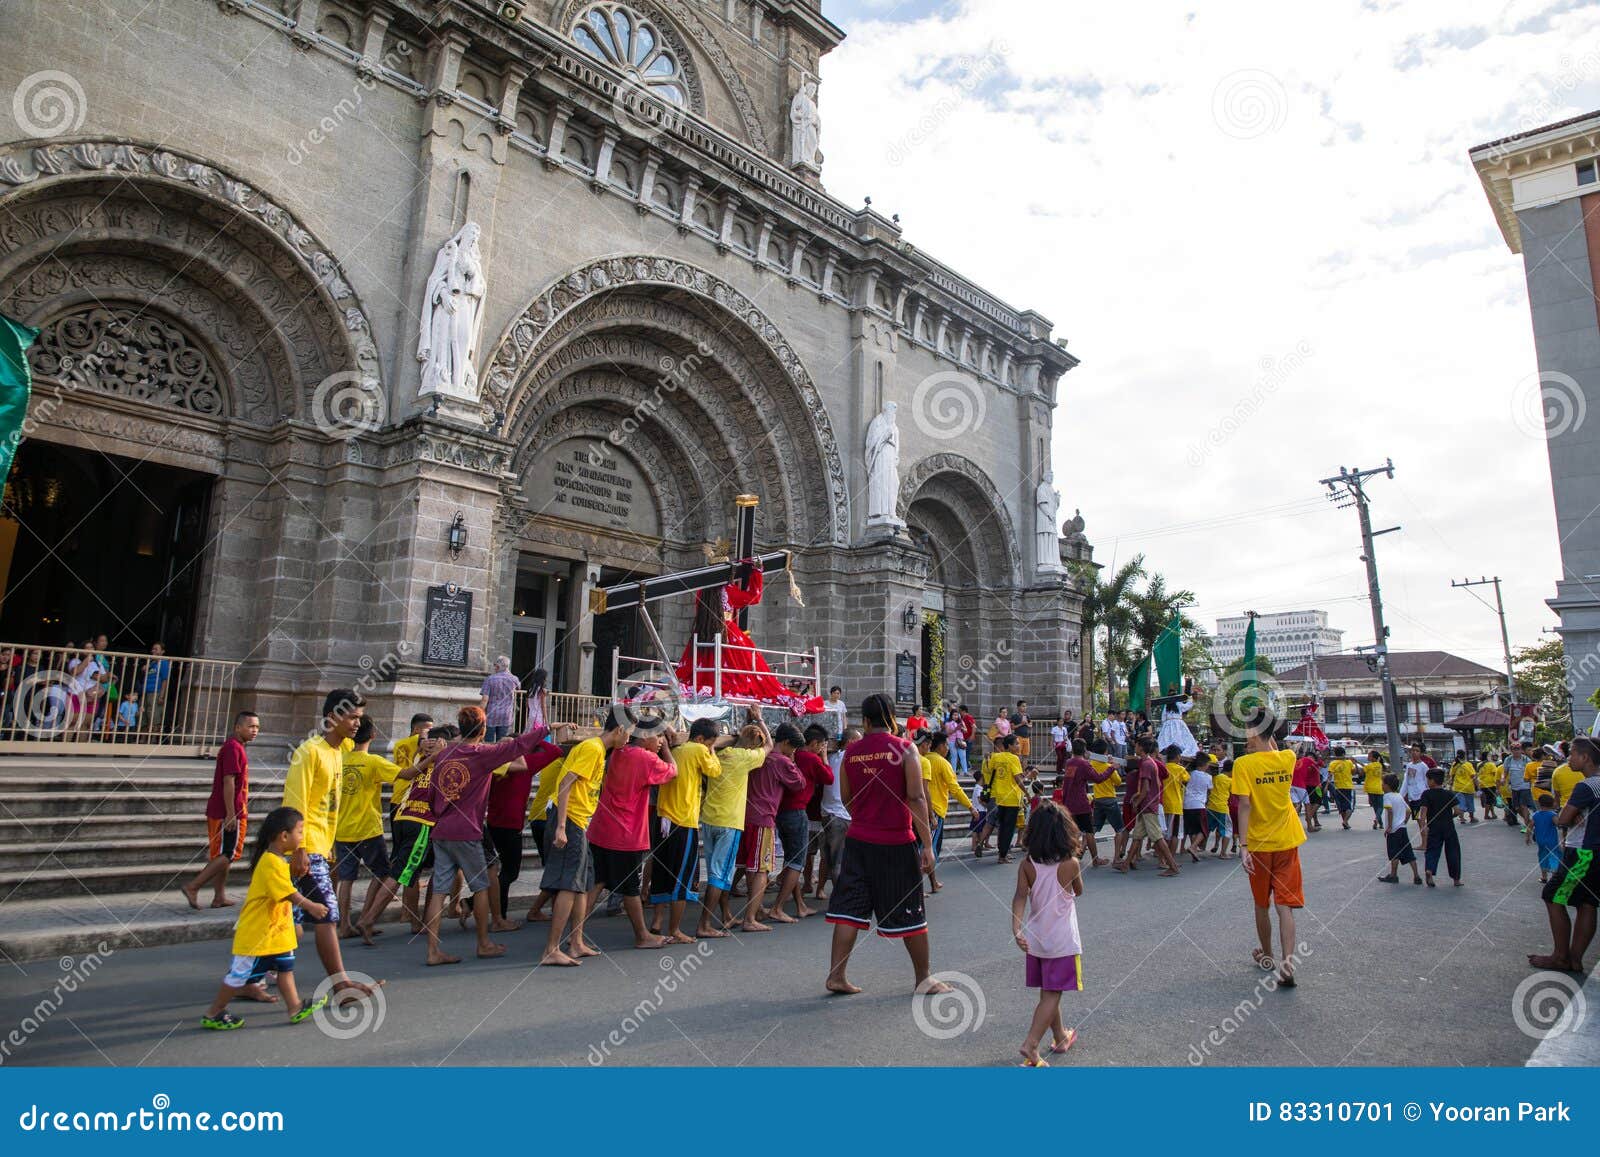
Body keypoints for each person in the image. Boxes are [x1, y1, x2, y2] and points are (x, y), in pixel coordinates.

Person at [824, 693, 952, 997]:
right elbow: (916, 797)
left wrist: (865, 818)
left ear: (865, 721)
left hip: (859, 840)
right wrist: (927, 845)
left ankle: (836, 975)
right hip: (896, 842)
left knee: (850, 909)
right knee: (911, 910)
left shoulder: (851, 752)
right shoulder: (905, 749)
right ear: (892, 718)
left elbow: (846, 798)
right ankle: (923, 978)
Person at [420, 702, 558, 965]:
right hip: (467, 831)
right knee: (481, 886)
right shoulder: (481, 754)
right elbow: (517, 746)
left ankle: (432, 951)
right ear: (483, 729)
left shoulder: (445, 755)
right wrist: (547, 728)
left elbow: (431, 792)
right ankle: (483, 943)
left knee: (438, 890)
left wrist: (439, 814)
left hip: (442, 829)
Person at [282, 688, 381, 1002]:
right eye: (351, 717)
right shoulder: (308, 752)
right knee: (327, 915)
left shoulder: (341, 750)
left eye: (359, 718)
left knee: (287, 922)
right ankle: (341, 984)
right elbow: (294, 804)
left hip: (322, 847)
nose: (357, 724)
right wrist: (299, 850)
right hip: (305, 847)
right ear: (332, 717)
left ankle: (249, 975)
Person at [199, 806, 330, 1030]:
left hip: (276, 934)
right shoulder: (270, 862)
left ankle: (295, 1007)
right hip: (258, 936)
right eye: (300, 831)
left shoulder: (278, 860)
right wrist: (311, 906)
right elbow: (288, 893)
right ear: (284, 836)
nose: (302, 836)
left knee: (285, 968)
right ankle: (214, 1012)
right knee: (238, 976)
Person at [540, 710, 629, 965]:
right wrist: (561, 827)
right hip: (571, 820)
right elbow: (565, 784)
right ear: (620, 730)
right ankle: (551, 949)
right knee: (569, 885)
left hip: (580, 821)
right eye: (629, 734)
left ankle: (576, 942)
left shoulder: (598, 750)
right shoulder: (592, 749)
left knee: (582, 884)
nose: (628, 740)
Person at [585, 719, 681, 949]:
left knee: (598, 881)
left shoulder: (618, 751)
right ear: (644, 737)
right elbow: (673, 771)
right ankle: (642, 936)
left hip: (602, 828)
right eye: (658, 737)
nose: (660, 742)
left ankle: (573, 934)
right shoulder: (645, 758)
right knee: (630, 887)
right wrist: (667, 749)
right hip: (625, 834)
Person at [1232, 709, 1305, 985]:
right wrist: (1263, 730)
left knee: (1262, 903)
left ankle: (1267, 955)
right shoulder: (1288, 758)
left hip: (1259, 842)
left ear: (1252, 732)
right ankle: (1288, 965)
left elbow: (1245, 805)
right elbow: (1271, 745)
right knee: (1285, 906)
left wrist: (1243, 845)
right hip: (1287, 839)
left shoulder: (1243, 764)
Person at [1010, 801, 1085, 1066]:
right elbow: (1078, 891)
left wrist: (1016, 928)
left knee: (1049, 990)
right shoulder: (1071, 864)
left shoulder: (1027, 865)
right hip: (1062, 941)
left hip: (1036, 939)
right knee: (1053, 994)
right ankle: (1031, 1045)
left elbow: (1020, 897)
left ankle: (1061, 1036)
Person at [332, 715, 411, 942]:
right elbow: (405, 774)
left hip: (342, 828)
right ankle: (367, 917)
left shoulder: (339, 759)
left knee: (346, 879)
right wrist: (430, 760)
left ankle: (344, 925)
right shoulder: (374, 762)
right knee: (382, 873)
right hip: (368, 829)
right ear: (373, 735)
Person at [649, 718, 725, 943]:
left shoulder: (676, 749)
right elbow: (715, 771)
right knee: (682, 877)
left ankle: (657, 922)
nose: (709, 747)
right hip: (683, 821)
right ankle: (675, 930)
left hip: (663, 819)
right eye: (709, 742)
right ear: (701, 739)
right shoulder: (699, 750)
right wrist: (712, 750)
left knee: (662, 874)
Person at [696, 714, 772, 938]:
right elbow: (769, 745)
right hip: (729, 822)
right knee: (719, 875)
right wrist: (760, 719)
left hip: (709, 820)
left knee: (717, 872)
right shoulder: (745, 757)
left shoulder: (719, 753)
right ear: (751, 745)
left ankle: (726, 915)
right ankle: (704, 925)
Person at [1530, 736, 1599, 973]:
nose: (1569, 758)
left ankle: (1560, 956)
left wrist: (1565, 815)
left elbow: (1563, 819)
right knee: (1588, 902)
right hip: (1596, 853)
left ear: (1585, 757)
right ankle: (1575, 959)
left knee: (1552, 895)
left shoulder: (1586, 786)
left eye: (1572, 754)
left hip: (1582, 852)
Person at [183, 710, 259, 911]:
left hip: (225, 809)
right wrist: (231, 814)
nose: (255, 731)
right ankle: (193, 886)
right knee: (227, 854)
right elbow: (228, 781)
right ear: (238, 727)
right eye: (251, 726)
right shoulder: (234, 748)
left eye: (257, 727)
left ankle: (219, 897)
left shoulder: (235, 747)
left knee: (224, 854)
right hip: (228, 810)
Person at [486, 723, 563, 921]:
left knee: (504, 870)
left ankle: (484, 909)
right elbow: (555, 751)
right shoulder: (525, 765)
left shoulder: (493, 764)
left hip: (494, 822)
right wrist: (529, 742)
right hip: (511, 824)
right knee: (510, 872)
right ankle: (498, 916)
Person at [739, 722, 807, 930]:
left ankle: (756, 909)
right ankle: (750, 919)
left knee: (752, 867)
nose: (793, 752)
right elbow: (800, 784)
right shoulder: (781, 761)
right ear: (785, 743)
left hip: (745, 815)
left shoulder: (758, 754)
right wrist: (792, 761)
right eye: (793, 748)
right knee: (762, 869)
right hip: (764, 818)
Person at [772, 723, 834, 918]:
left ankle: (800, 905)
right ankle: (778, 908)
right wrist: (824, 758)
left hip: (781, 812)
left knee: (791, 859)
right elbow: (829, 778)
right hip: (797, 812)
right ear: (814, 743)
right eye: (821, 745)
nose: (822, 749)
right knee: (796, 863)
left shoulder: (790, 755)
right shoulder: (810, 758)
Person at [1116, 736, 1180, 876]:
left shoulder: (1146, 764)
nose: (1135, 748)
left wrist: (1137, 801)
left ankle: (1173, 866)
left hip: (1148, 805)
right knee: (1137, 835)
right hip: (1149, 804)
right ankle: (1126, 864)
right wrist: (1138, 796)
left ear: (1141, 747)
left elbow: (1145, 788)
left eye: (1136, 746)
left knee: (1157, 837)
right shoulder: (1149, 762)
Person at [922, 730, 970, 891]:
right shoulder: (942, 763)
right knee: (930, 850)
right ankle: (916, 887)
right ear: (940, 746)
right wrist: (970, 806)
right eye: (947, 745)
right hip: (934, 811)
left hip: (921, 809)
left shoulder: (922, 759)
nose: (948, 749)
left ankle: (933, 883)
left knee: (927, 848)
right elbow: (955, 789)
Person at [1054, 739, 1110, 866]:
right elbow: (1098, 778)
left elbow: (1067, 784)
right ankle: (1095, 859)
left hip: (1069, 801)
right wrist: (1111, 768)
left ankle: (1067, 857)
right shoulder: (1083, 763)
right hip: (1081, 803)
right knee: (1089, 831)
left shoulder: (1069, 762)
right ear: (1084, 750)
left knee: (1071, 831)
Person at [1416, 768, 1463, 888]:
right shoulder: (1449, 794)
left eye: (1428, 780)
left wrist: (1423, 826)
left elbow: (1423, 811)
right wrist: (1452, 816)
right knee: (1453, 852)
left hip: (1434, 827)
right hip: (1448, 827)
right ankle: (1456, 879)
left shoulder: (1426, 794)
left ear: (1432, 781)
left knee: (1432, 850)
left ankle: (1429, 870)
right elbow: (1458, 811)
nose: (1427, 782)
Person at [984, 734, 1026, 862]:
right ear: (1009, 746)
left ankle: (1002, 853)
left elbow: (989, 769)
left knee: (1002, 827)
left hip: (999, 797)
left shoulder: (996, 757)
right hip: (1012, 798)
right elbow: (1018, 779)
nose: (1018, 746)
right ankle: (1003, 855)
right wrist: (1027, 793)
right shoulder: (1014, 758)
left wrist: (988, 758)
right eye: (1016, 743)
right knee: (1009, 828)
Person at [1376, 773, 1421, 885]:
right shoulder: (1399, 796)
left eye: (1383, 783)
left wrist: (1389, 826)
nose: (1381, 785)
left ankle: (1393, 875)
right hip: (1402, 828)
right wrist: (1404, 821)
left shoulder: (1387, 796)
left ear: (1387, 785)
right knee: (1408, 852)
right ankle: (1416, 876)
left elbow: (1390, 811)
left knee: (1394, 853)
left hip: (1394, 830)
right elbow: (1408, 810)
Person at [478, 655, 521, 742]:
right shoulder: (514, 679)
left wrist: (479, 713)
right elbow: (518, 689)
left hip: (491, 715)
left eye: (495, 665)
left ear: (497, 666)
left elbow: (485, 699)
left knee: (488, 742)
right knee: (502, 742)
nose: (494, 668)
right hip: (506, 715)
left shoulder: (490, 679)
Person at [1182, 754, 1213, 861]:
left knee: (1192, 829)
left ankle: (1194, 850)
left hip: (1187, 804)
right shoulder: (1208, 777)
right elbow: (1210, 791)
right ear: (1205, 764)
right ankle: (1193, 846)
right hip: (1199, 805)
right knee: (1204, 829)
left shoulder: (1190, 774)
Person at [1156, 692, 1199, 758]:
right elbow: (1186, 706)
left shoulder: (1166, 706)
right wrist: (1191, 699)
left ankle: (1169, 750)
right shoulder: (1178, 703)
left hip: (1168, 724)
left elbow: (1163, 717)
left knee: (1167, 739)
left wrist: (1164, 725)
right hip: (1178, 723)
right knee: (1179, 737)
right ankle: (1179, 751)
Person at [1206, 760, 1235, 858]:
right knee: (1228, 830)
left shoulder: (1215, 777)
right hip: (1222, 808)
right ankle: (1223, 853)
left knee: (1207, 828)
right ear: (1232, 770)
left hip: (1211, 806)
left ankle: (1197, 846)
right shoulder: (1230, 781)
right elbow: (1234, 792)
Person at [1533, 794, 1562, 884]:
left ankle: (1544, 877)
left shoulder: (1536, 814)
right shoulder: (1552, 815)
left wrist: (1527, 836)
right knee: (1554, 856)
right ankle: (1554, 877)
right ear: (1552, 804)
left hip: (1540, 841)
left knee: (1542, 857)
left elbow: (1530, 825)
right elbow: (1558, 824)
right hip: (1551, 841)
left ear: (1540, 804)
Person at [1327, 746, 1355, 830]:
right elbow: (1354, 772)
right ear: (1343, 754)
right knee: (1350, 807)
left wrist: (1326, 786)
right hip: (1348, 787)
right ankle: (1345, 821)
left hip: (1337, 787)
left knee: (1342, 807)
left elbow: (1329, 776)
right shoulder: (1349, 762)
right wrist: (1355, 763)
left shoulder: (1333, 763)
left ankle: (1345, 822)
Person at [1450, 753, 1479, 824]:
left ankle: (1462, 818)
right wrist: (1477, 786)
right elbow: (1473, 776)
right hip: (1468, 787)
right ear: (1464, 756)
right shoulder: (1468, 764)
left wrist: (1451, 784)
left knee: (1460, 804)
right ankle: (1472, 818)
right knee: (1470, 803)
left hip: (1457, 787)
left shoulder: (1454, 764)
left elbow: (1452, 775)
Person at [1362, 750, 1386, 831]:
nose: (1368, 757)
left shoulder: (1369, 766)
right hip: (1379, 788)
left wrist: (1356, 763)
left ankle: (1380, 823)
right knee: (1380, 806)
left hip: (1370, 789)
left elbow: (1363, 770)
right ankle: (1378, 820)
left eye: (1369, 756)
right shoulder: (1380, 765)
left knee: (1375, 807)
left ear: (1373, 758)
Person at [1477, 755, 1501, 821]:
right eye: (1490, 756)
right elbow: (1495, 774)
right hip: (1490, 784)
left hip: (1482, 784)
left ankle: (1493, 814)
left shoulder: (1479, 764)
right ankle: (1486, 815)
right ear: (1487, 757)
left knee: (1489, 800)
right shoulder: (1491, 764)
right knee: (1489, 800)